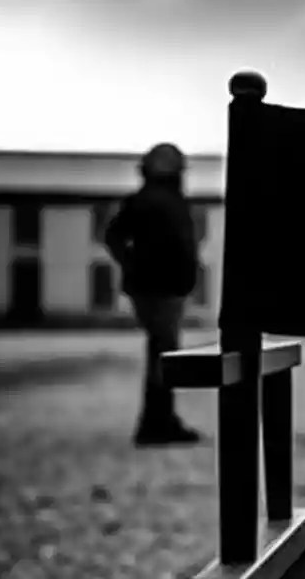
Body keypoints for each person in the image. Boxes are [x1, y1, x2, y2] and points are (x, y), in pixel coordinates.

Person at [104, 142, 204, 447]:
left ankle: (161, 420)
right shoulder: (159, 201)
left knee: (162, 355)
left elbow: (114, 237)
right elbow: (115, 237)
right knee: (163, 356)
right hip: (160, 290)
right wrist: (136, 264)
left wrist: (132, 264)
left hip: (161, 288)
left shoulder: (149, 200)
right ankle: (156, 424)